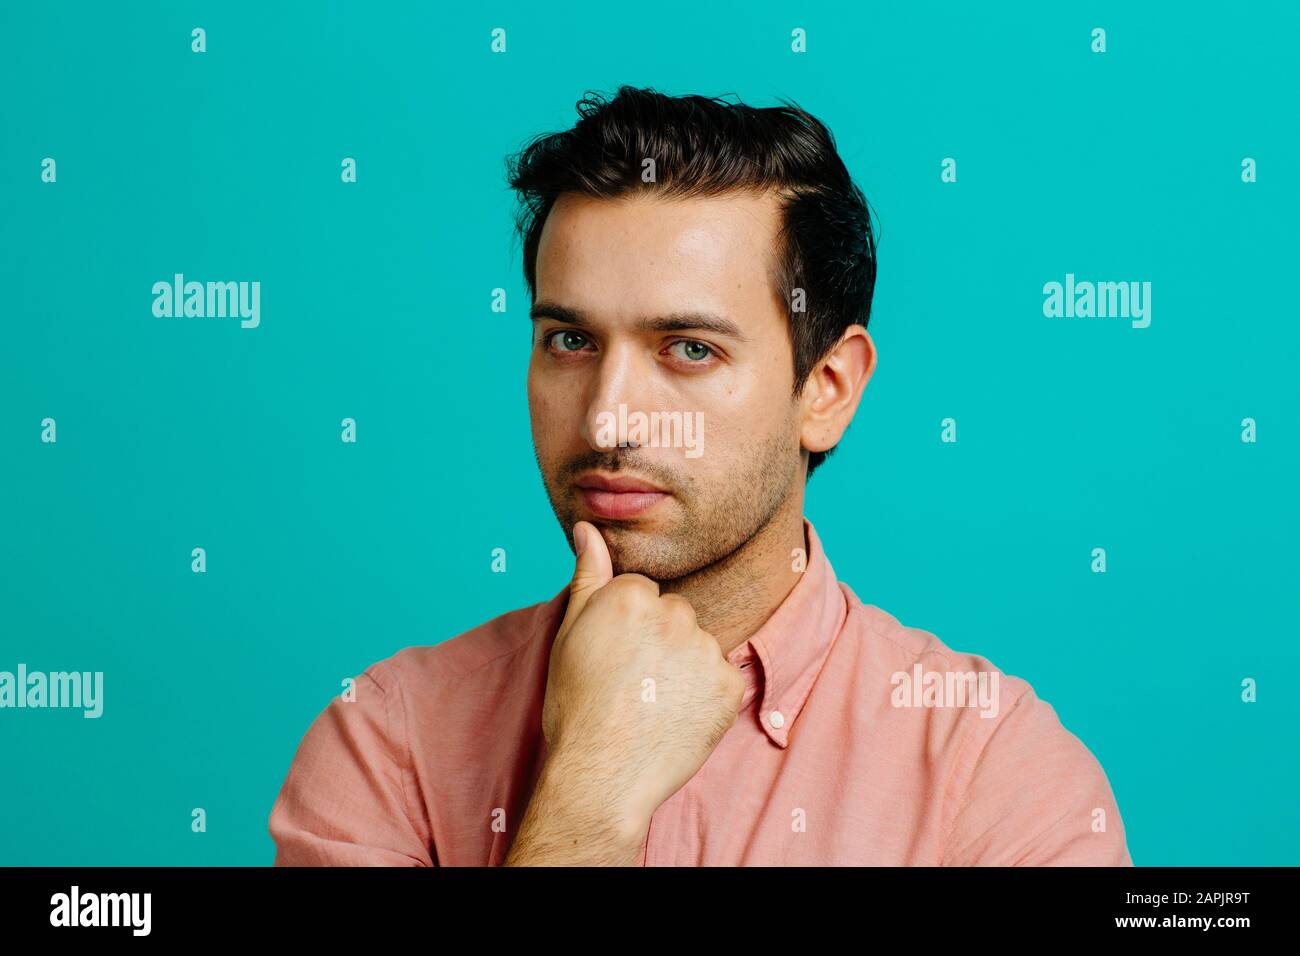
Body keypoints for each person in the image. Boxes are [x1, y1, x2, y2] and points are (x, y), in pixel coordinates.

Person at [268, 86, 1132, 866]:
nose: (609, 420)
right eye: (570, 340)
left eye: (689, 349)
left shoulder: (995, 775)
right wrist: (587, 801)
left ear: (825, 390)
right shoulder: (392, 742)